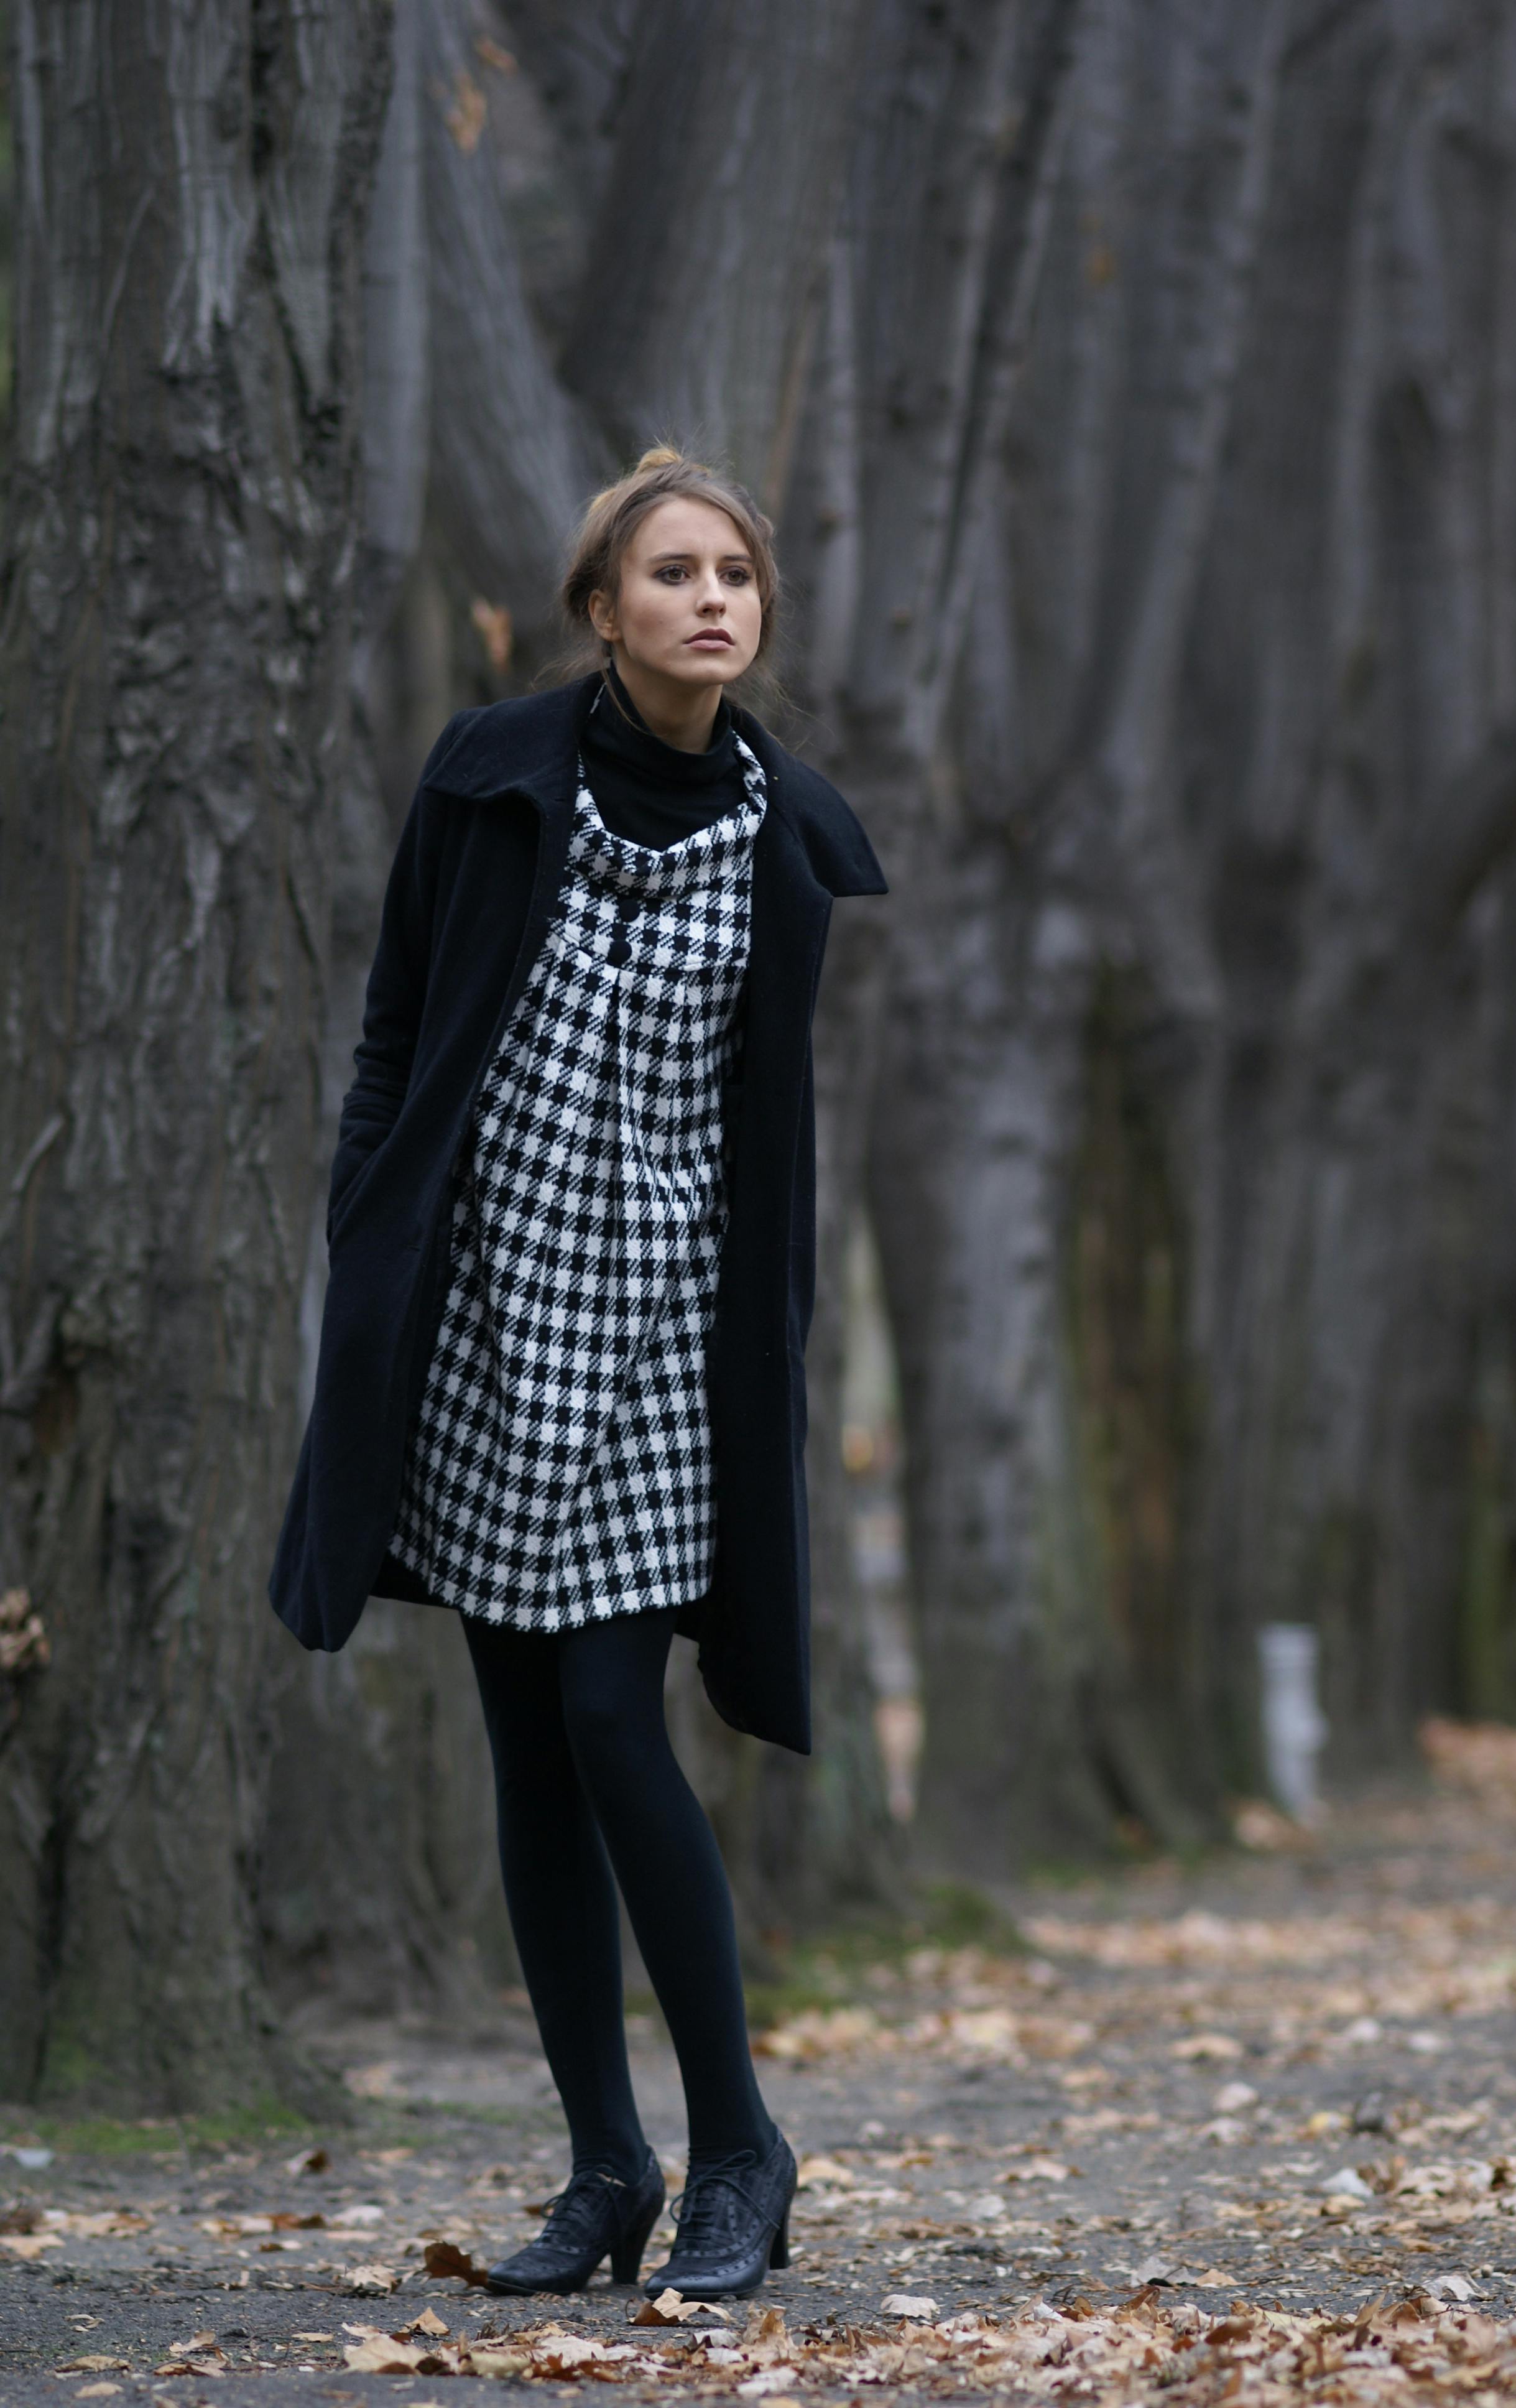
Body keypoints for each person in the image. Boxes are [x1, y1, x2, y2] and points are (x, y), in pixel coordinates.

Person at [269, 448, 886, 2300]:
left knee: (616, 1719)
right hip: (481, 1316)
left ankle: (739, 2149)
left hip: (661, 1338)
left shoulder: (792, 836)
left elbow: (763, 1130)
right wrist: (371, 1226)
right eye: (674, 573)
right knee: (528, 1749)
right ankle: (603, 2167)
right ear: (602, 610)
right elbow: (395, 1028)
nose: (714, 598)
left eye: (735, 575)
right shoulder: (489, 780)